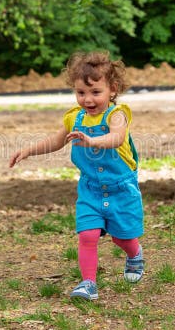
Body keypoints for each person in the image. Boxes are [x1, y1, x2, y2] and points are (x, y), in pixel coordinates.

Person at [9, 51, 144, 301]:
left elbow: (117, 138)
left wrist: (92, 140)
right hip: (90, 188)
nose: (87, 99)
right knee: (87, 234)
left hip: (120, 187)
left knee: (121, 237)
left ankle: (134, 253)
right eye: (81, 92)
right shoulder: (75, 117)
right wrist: (28, 150)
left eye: (95, 92)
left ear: (112, 90)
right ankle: (88, 284)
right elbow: (56, 141)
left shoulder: (117, 114)